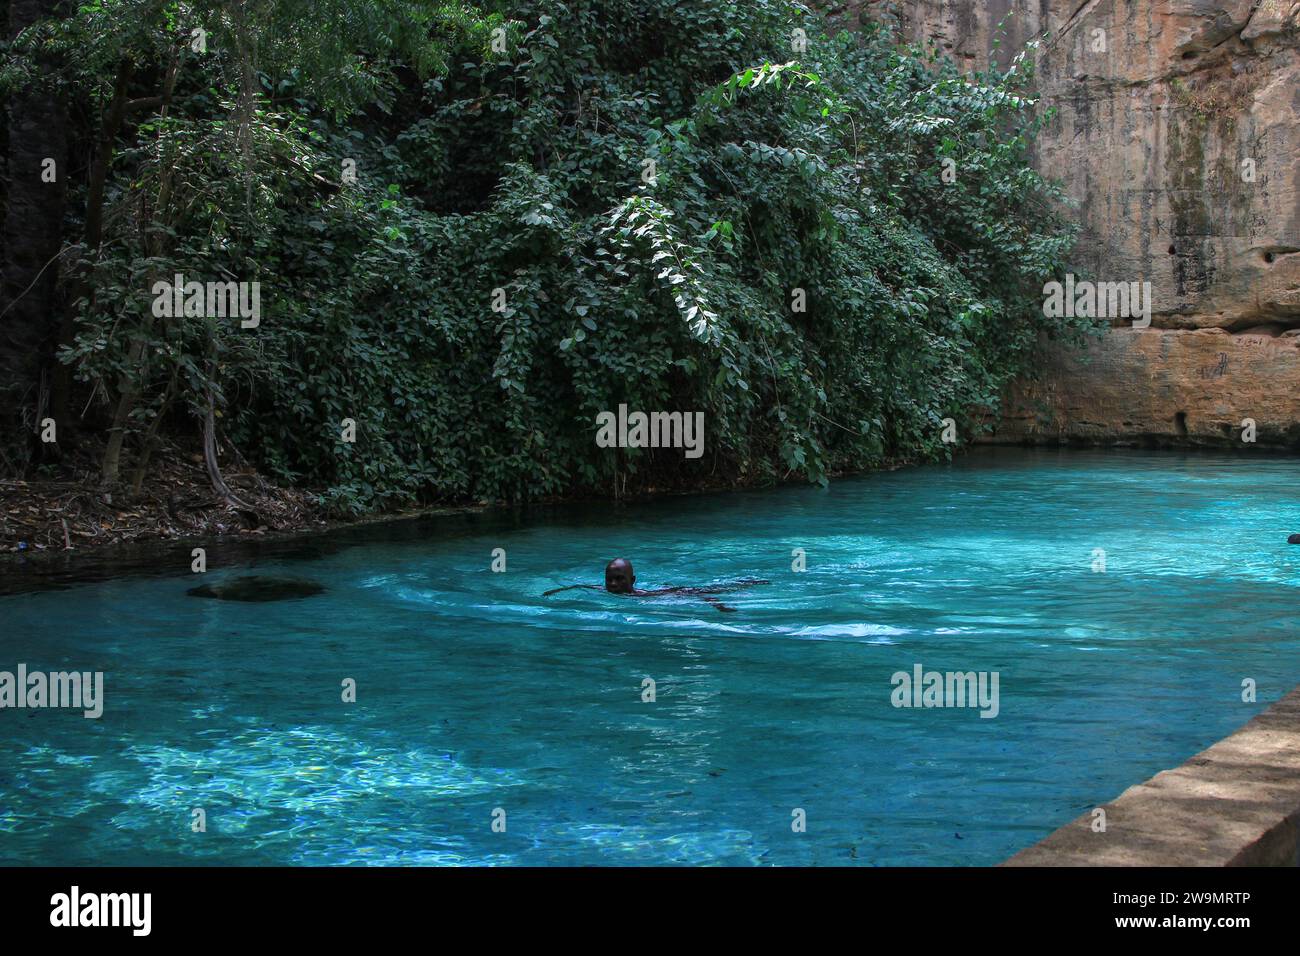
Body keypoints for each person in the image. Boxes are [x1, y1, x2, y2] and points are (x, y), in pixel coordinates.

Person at [543, 557, 769, 613]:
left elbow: (696, 597)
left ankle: (748, 583)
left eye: (619, 579)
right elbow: (580, 586)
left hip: (678, 593)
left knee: (713, 589)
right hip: (672, 590)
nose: (612, 584)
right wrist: (557, 590)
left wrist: (717, 605)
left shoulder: (642, 596)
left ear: (632, 581)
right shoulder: (602, 590)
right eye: (609, 579)